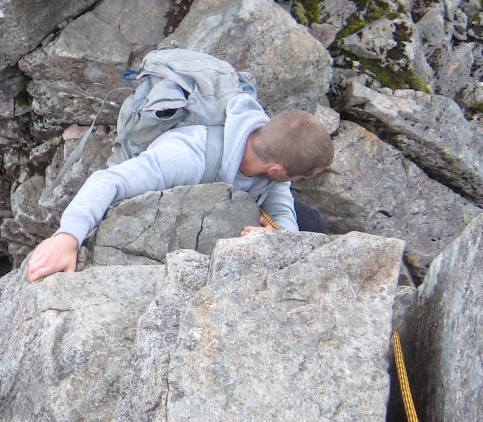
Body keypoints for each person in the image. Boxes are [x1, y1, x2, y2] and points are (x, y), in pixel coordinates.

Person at [26, 95, 334, 282]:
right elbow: (109, 180)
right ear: (278, 170)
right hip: (159, 223)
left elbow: (281, 203)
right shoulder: (186, 157)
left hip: (215, 211)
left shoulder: (268, 150)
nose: (294, 184)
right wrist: (68, 237)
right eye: (299, 178)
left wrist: (278, 239)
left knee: (311, 224)